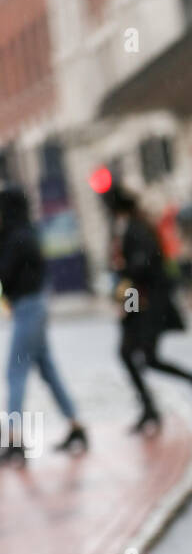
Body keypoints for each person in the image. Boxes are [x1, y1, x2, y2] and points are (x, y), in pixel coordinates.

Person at [103, 186, 192, 434]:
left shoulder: (135, 228)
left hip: (144, 299)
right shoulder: (130, 226)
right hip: (138, 298)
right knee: (137, 355)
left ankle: (170, 400)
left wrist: (124, 270)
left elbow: (143, 266)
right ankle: (157, 404)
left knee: (135, 354)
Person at [0, 185, 87, 466]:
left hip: (28, 308)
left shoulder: (17, 239)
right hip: (33, 307)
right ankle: (76, 426)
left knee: (15, 373)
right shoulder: (25, 234)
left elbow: (6, 275)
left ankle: (14, 440)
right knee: (47, 370)